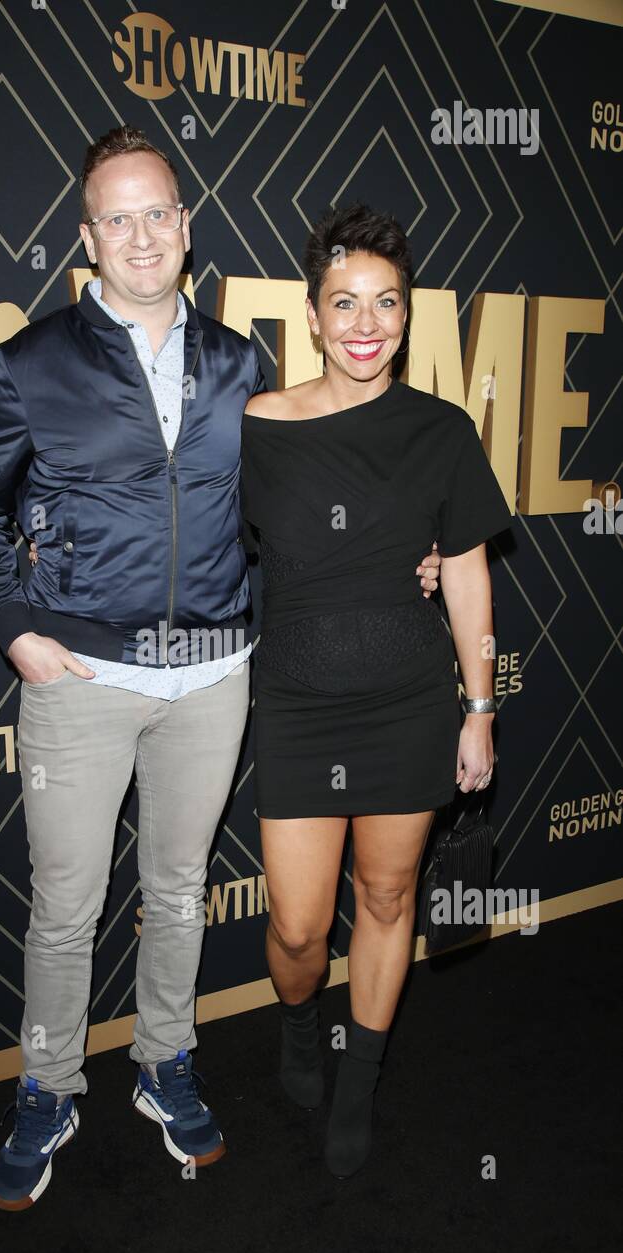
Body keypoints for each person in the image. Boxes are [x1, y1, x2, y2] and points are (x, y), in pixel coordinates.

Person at [0, 128, 442, 1212]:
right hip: (80, 674)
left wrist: (412, 542)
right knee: (66, 905)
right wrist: (16, 625)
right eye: (113, 217)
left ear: (185, 225)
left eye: (155, 212)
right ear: (86, 237)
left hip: (215, 675)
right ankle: (46, 1085)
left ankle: (165, 1062)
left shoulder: (238, 363)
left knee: (176, 892)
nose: (137, 235)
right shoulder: (32, 362)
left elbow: (294, 505)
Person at [240, 201, 512, 1179]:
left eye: (383, 303)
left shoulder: (439, 431)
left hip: (406, 701)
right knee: (299, 927)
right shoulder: (257, 425)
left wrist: (477, 708)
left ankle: (359, 1082)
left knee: (388, 894)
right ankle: (299, 1019)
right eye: (342, 301)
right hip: (300, 707)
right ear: (310, 314)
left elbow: (470, 570)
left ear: (407, 314)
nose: (363, 322)